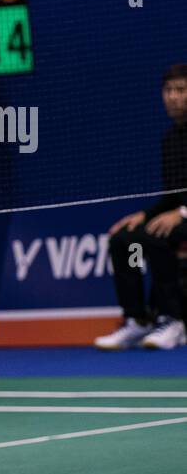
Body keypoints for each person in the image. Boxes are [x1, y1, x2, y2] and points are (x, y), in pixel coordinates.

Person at [96, 64, 187, 350]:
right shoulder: (170, 140)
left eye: (181, 90)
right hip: (178, 215)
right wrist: (145, 214)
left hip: (184, 218)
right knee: (125, 240)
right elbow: (173, 196)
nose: (173, 97)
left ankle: (176, 318)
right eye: (168, 90)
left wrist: (182, 213)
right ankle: (138, 318)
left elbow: (178, 206)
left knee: (156, 236)